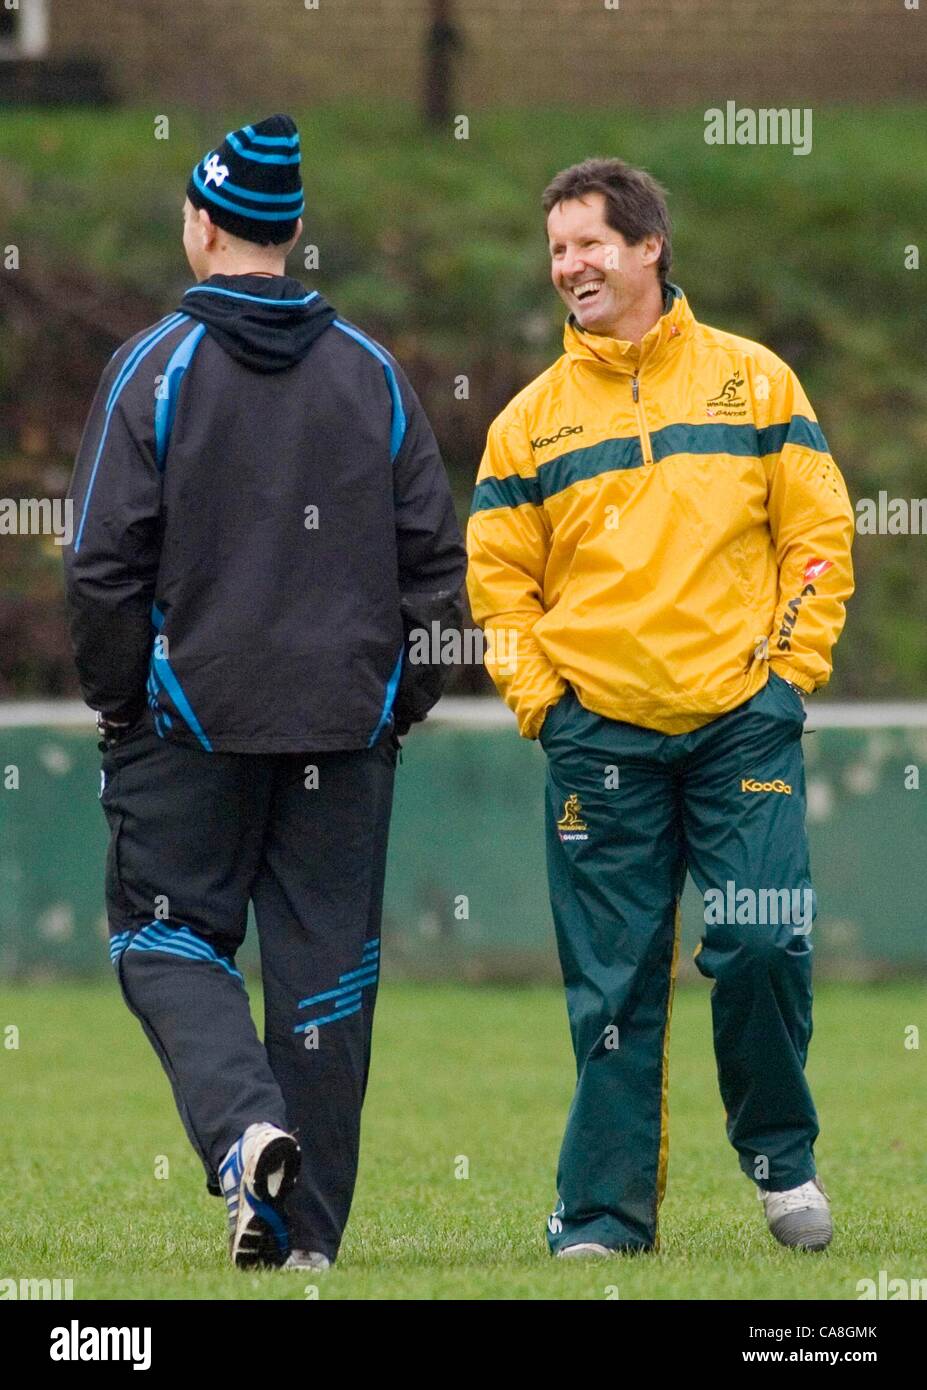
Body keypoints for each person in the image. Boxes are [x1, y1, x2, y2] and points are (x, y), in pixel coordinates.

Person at [64, 114, 466, 1271]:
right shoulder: (375, 373)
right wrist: (397, 702)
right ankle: (305, 1246)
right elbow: (438, 567)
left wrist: (122, 700)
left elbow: (100, 562)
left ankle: (245, 1136)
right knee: (327, 972)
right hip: (345, 729)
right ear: (292, 232)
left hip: (183, 725)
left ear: (200, 225)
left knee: (164, 937)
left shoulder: (152, 368)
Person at [467, 157, 854, 1257]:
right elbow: (499, 582)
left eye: (589, 243)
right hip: (601, 741)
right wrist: (547, 704)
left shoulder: (757, 383)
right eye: (556, 251)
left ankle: (782, 1160)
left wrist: (787, 674)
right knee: (613, 985)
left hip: (743, 725)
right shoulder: (525, 427)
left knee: (765, 943)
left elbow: (817, 539)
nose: (570, 267)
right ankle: (600, 1215)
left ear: (648, 247)